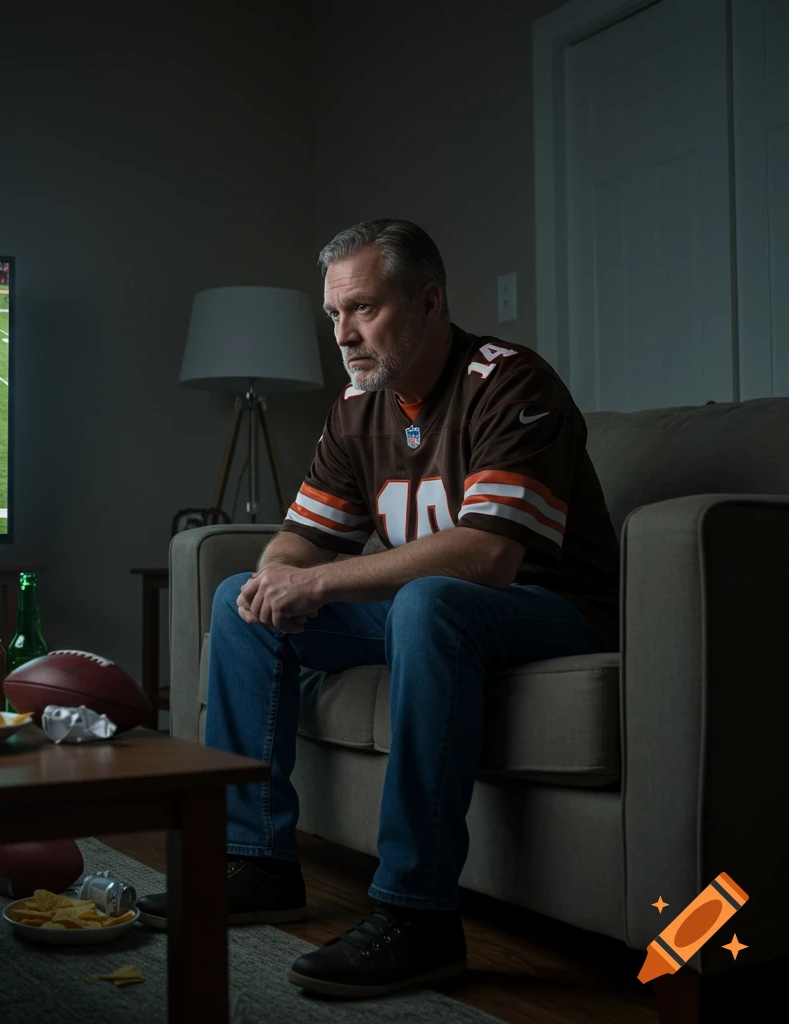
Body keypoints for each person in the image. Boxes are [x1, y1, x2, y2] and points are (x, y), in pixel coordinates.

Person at [134, 219, 621, 999]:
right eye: (333, 316)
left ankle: (418, 916)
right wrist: (279, 582)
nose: (344, 334)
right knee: (240, 601)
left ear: (429, 302)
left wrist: (323, 584)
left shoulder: (512, 382)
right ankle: (256, 862)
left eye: (362, 308)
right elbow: (296, 543)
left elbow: (489, 557)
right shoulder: (357, 408)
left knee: (428, 603)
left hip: (551, 610)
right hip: (426, 616)